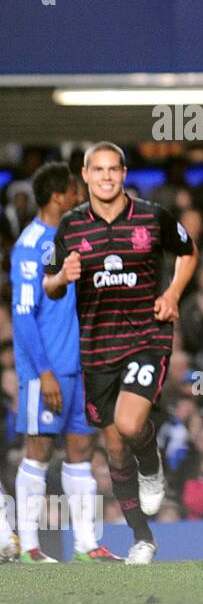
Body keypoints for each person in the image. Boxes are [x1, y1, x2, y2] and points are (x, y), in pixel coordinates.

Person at [44, 142, 199, 565]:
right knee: (113, 450)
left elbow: (188, 252)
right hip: (97, 350)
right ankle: (142, 538)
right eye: (99, 170)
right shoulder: (71, 226)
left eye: (114, 169)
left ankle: (152, 464)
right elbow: (48, 284)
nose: (107, 177)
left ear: (124, 173)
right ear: (86, 175)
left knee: (131, 425)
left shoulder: (152, 216)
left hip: (147, 337)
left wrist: (172, 292)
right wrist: (62, 276)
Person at [9, 164, 120, 562]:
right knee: (37, 450)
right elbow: (23, 315)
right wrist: (44, 372)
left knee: (82, 451)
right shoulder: (30, 245)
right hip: (49, 370)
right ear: (58, 196)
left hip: (81, 366)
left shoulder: (75, 238)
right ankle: (30, 547)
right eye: (75, 191)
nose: (80, 196)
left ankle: (87, 545)